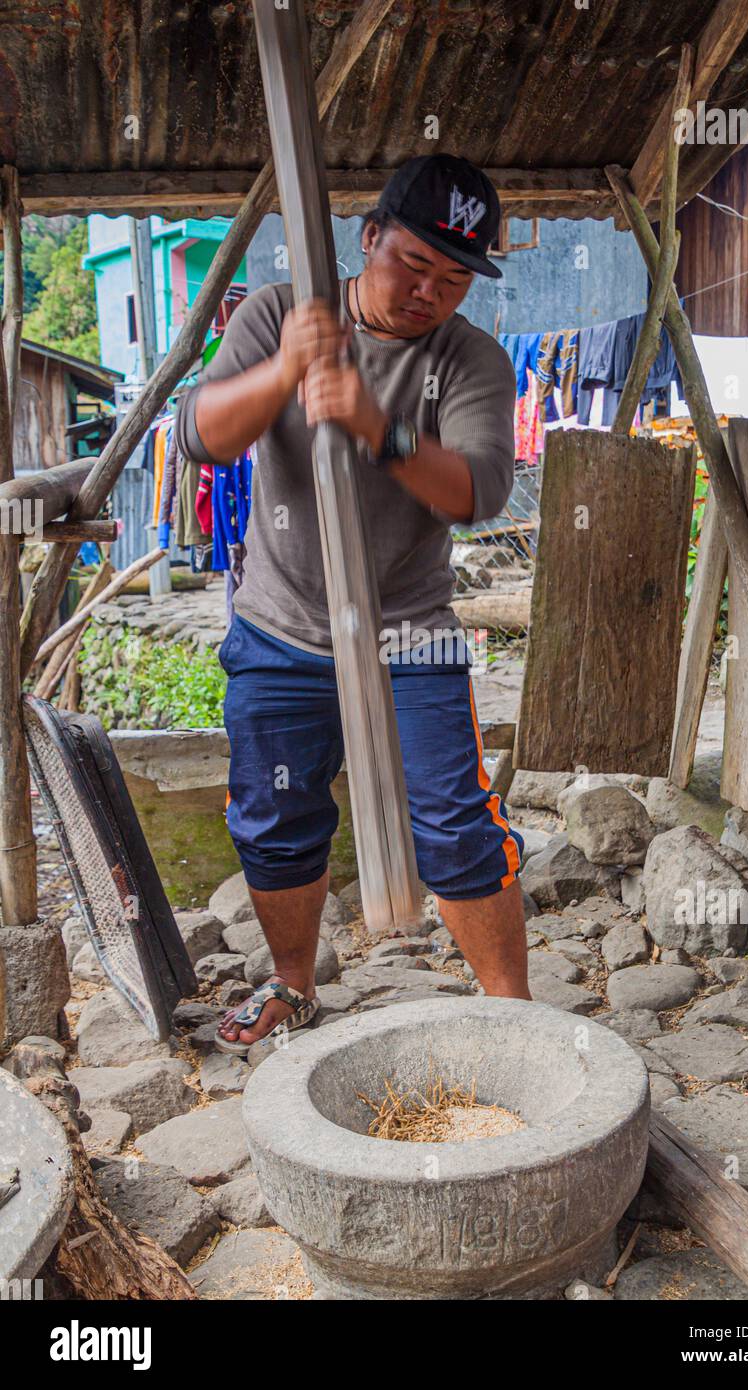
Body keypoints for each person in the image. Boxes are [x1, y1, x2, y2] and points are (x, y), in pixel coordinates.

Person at [175, 153, 529, 1056]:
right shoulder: (281, 313)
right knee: (274, 814)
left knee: (454, 822)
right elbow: (202, 438)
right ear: (368, 239)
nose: (428, 294)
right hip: (282, 623)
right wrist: (286, 370)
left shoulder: (471, 359)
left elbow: (481, 490)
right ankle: (294, 986)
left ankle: (517, 1020)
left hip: (408, 628)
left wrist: (381, 427)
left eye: (453, 280)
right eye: (412, 265)